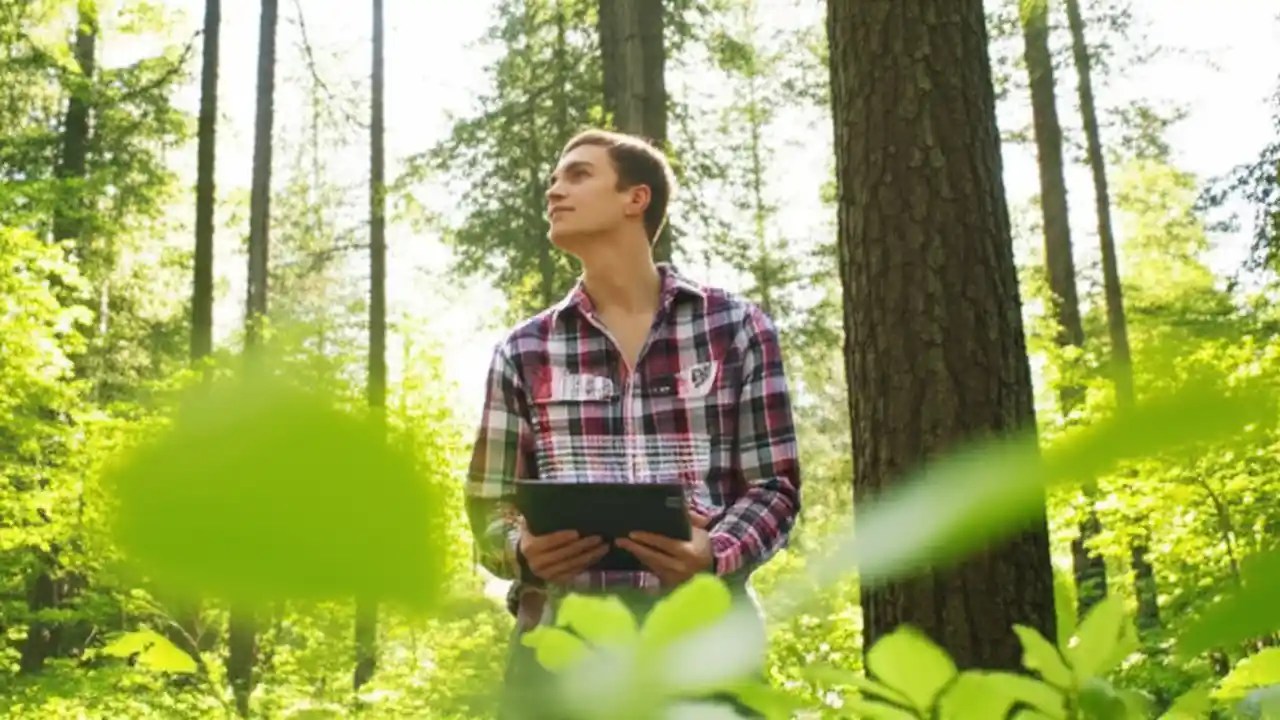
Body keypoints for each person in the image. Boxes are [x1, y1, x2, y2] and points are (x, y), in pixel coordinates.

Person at [464, 128, 801, 717]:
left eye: (578, 175)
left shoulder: (737, 328)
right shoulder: (524, 350)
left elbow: (774, 486)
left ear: (635, 198)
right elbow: (487, 502)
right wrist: (523, 552)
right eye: (553, 180)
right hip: (558, 647)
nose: (554, 192)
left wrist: (714, 549)